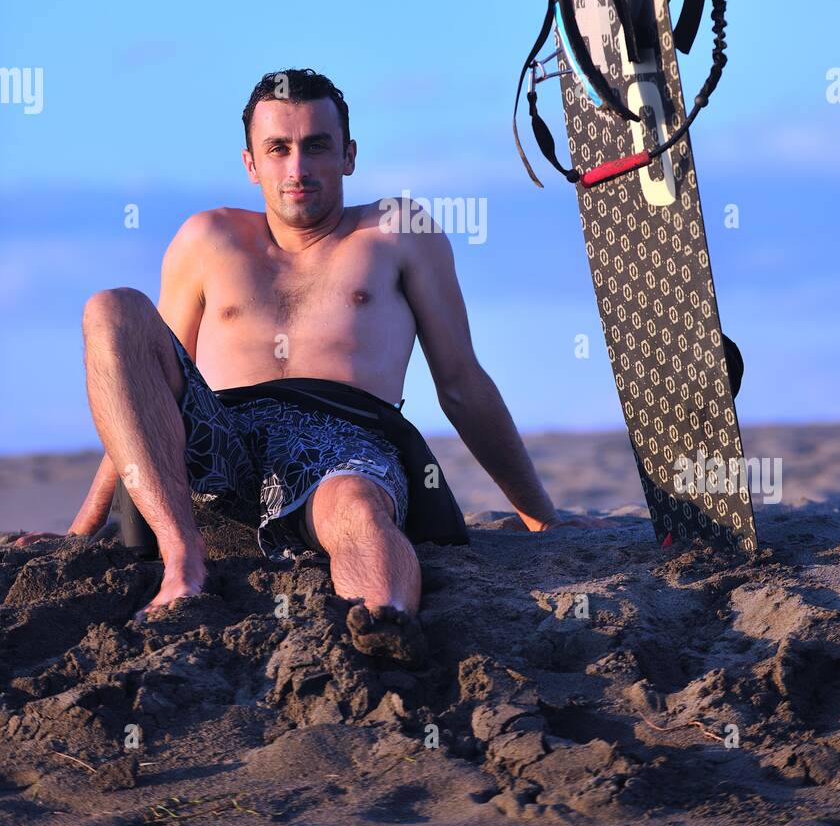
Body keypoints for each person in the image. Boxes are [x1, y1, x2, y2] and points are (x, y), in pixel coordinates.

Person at [15, 69, 603, 664]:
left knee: (356, 506)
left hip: (344, 441)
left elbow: (461, 382)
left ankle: (385, 622)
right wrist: (81, 532)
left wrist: (540, 517)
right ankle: (183, 563)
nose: (297, 169)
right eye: (278, 149)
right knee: (112, 309)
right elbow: (141, 388)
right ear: (251, 163)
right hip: (223, 437)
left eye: (316, 146)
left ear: (348, 155)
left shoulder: (399, 231)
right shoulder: (207, 238)